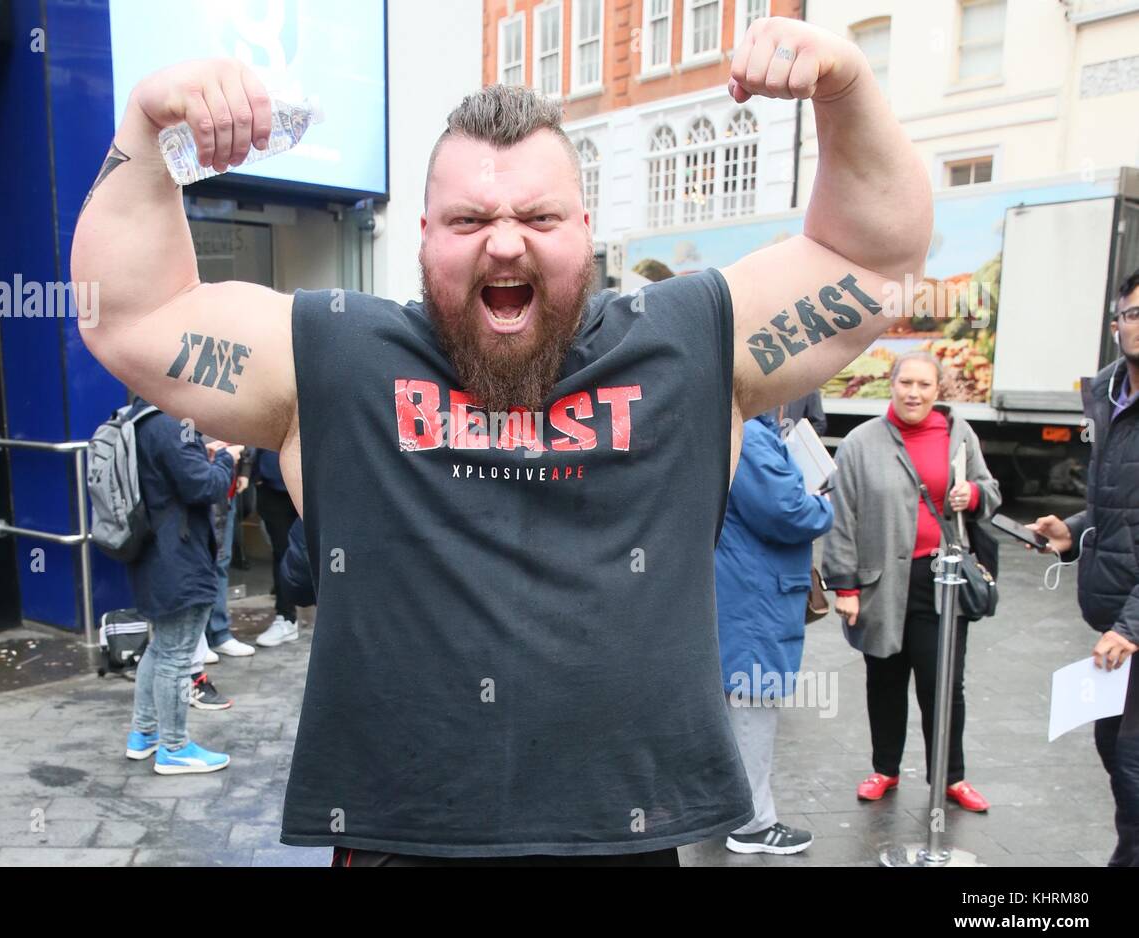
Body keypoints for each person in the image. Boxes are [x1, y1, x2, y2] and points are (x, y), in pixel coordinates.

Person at [73, 18, 933, 863]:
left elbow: (874, 258)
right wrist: (145, 132)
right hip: (400, 844)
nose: (507, 241)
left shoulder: (686, 343)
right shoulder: (338, 358)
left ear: (585, 230)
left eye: (540, 217)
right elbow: (130, 317)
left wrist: (847, 85)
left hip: (626, 841)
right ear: (423, 237)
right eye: (469, 219)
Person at [822, 352, 1000, 812]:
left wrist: (975, 493)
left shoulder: (960, 434)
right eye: (906, 384)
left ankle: (951, 776)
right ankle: (885, 769)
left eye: (924, 385)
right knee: (885, 678)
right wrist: (845, 587)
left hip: (943, 580)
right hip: (881, 582)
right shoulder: (861, 443)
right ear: (892, 385)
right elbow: (844, 519)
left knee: (943, 685)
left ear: (937, 390)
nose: (914, 393)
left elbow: (991, 490)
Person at [1030, 269, 1139, 866]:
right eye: (1132, 313)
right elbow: (1112, 502)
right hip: (1113, 623)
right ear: (1116, 322)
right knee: (1115, 755)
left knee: (1131, 766)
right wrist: (1070, 531)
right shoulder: (1106, 392)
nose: (1137, 324)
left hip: (1129, 629)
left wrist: (1131, 627)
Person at [716, 414, 832, 854]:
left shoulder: (738, 427)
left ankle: (730, 811)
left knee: (739, 701)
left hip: (743, 589)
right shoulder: (751, 435)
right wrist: (822, 502)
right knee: (752, 703)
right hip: (756, 595)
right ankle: (752, 825)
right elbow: (787, 511)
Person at [123, 395, 241, 774]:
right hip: (181, 559)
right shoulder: (171, 424)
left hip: (153, 555)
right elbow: (203, 487)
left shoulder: (136, 420)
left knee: (160, 649)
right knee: (175, 657)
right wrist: (227, 459)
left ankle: (143, 735)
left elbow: (170, 477)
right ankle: (174, 748)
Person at [205, 442, 256, 657]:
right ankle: (199, 638)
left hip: (226, 487)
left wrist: (244, 468)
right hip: (200, 487)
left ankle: (218, 633)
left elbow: (244, 431)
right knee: (201, 565)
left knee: (221, 562)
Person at [251, 448, 299, 647]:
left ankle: (333, 618)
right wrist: (257, 475)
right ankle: (286, 617)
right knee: (282, 552)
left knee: (329, 552)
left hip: (315, 477)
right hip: (273, 482)